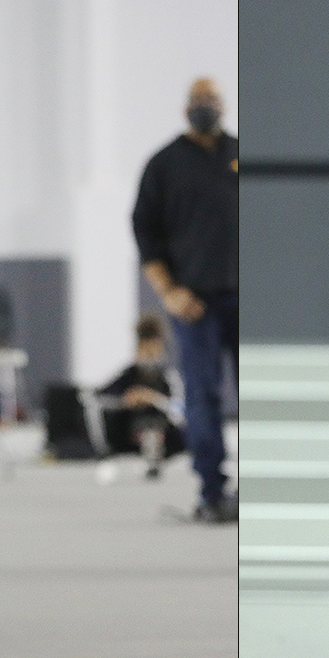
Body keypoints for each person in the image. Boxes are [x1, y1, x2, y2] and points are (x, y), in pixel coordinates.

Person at [132, 78, 239, 523]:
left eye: (211, 101)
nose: (206, 107)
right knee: (202, 396)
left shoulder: (239, 154)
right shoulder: (164, 165)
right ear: (185, 109)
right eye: (199, 101)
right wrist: (170, 292)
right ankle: (212, 491)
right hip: (194, 302)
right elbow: (145, 235)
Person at [95, 313, 186, 479]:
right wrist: (126, 400)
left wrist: (154, 399)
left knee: (155, 428)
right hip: (129, 430)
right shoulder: (128, 374)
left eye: (154, 350)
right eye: (146, 351)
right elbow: (100, 397)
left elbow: (181, 408)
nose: (150, 356)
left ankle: (154, 454)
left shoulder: (167, 376)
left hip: (164, 431)